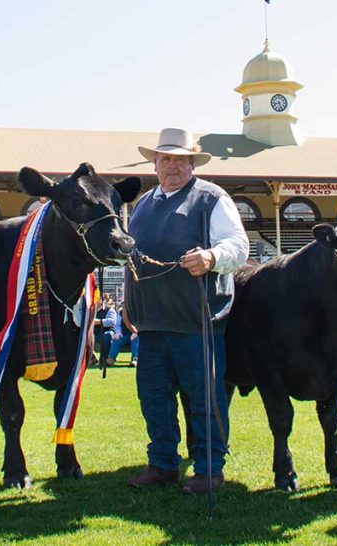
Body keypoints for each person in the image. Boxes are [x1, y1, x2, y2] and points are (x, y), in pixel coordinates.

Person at [124, 128, 249, 493]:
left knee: (205, 400)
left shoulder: (212, 198)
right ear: (155, 163)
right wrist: (130, 304)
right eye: (165, 159)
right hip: (151, 324)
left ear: (193, 163)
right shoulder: (142, 205)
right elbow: (132, 260)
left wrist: (212, 257)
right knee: (153, 398)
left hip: (198, 322)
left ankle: (210, 469)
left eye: (180, 159)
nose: (172, 166)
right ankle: (163, 463)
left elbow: (238, 244)